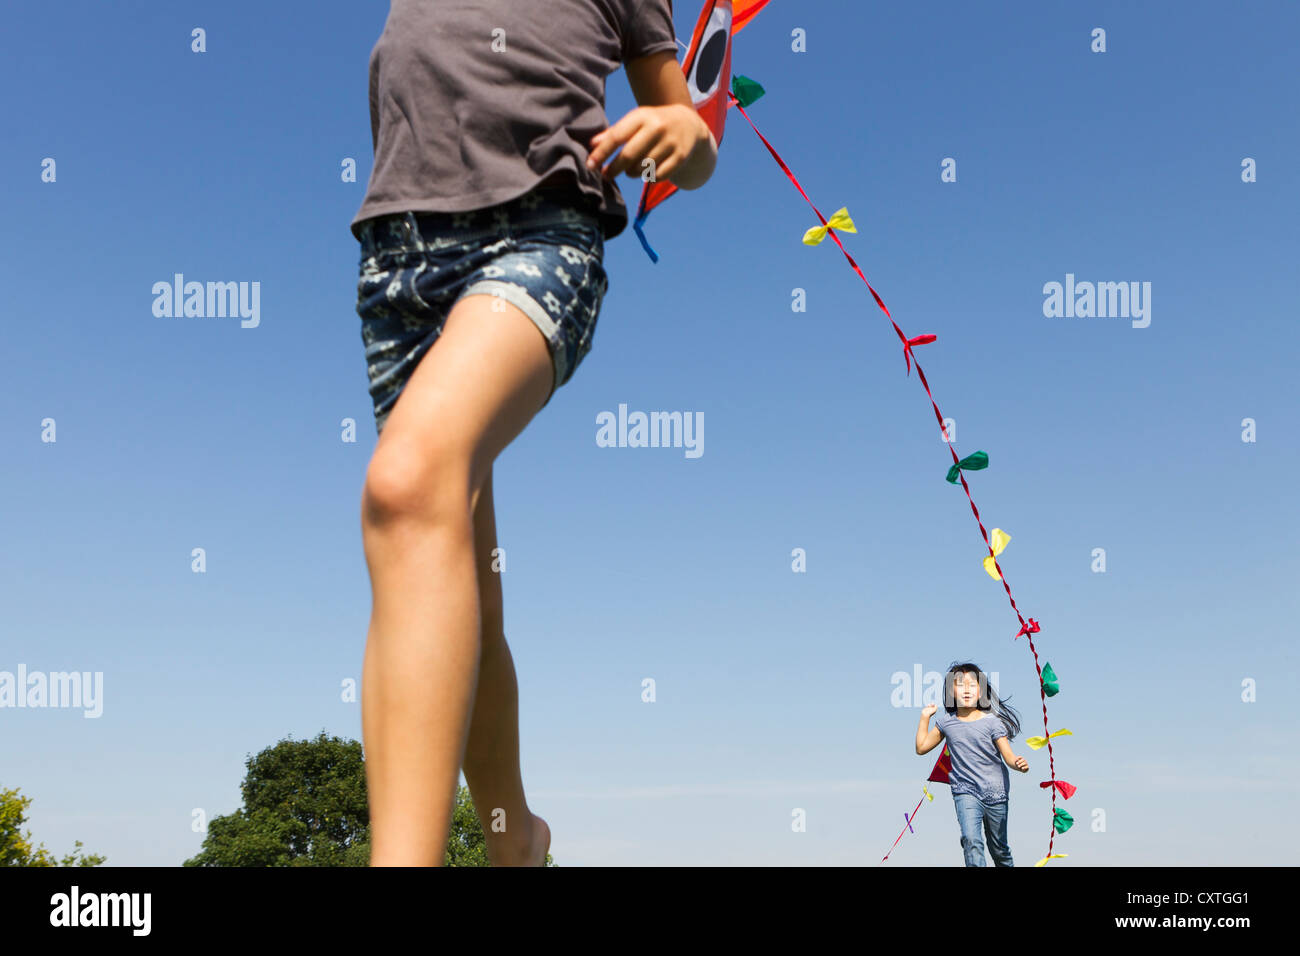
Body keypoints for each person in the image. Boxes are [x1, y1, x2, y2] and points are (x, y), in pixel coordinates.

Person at [348, 1, 718, 866]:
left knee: (404, 487)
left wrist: (686, 135)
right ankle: (516, 836)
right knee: (456, 571)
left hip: (540, 234)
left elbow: (693, 134)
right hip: (395, 267)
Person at [915, 662, 1028, 866]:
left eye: (973, 685)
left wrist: (1017, 763)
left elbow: (1008, 756)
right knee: (971, 841)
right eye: (960, 684)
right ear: (951, 690)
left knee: (999, 849)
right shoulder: (946, 723)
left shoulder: (993, 722)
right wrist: (924, 717)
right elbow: (921, 747)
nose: (967, 689)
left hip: (996, 792)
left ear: (981, 691)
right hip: (965, 790)